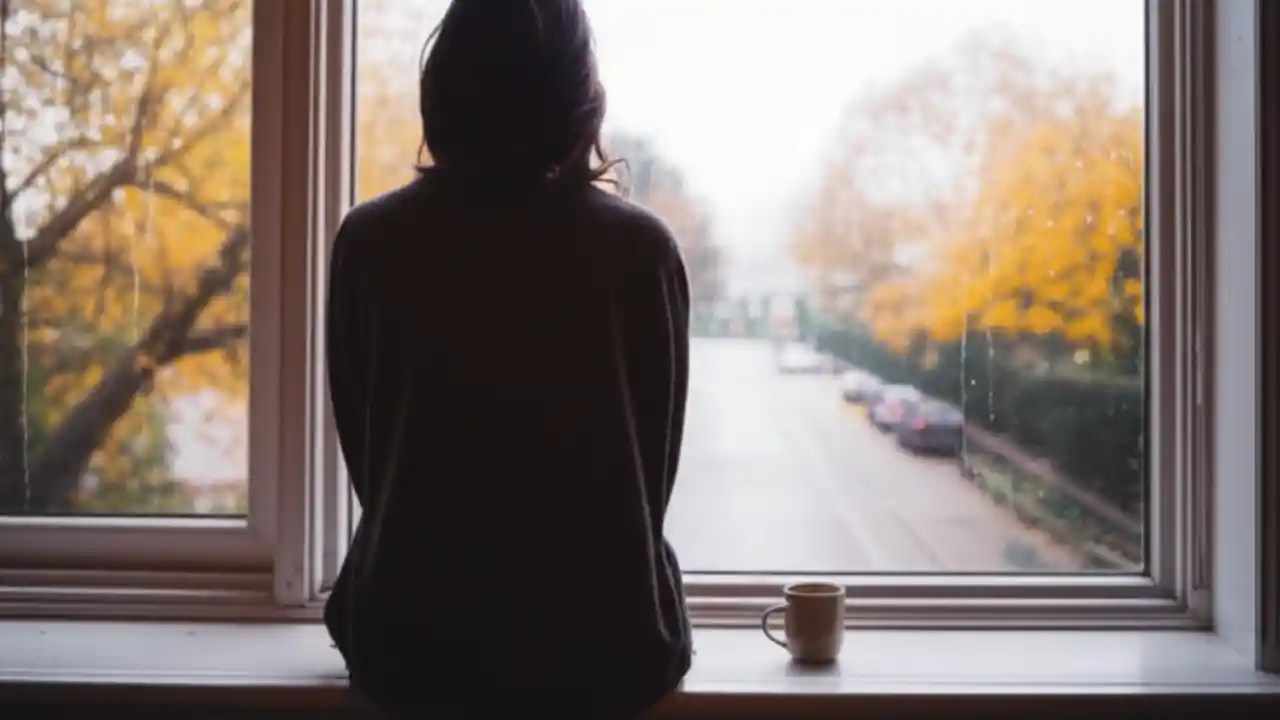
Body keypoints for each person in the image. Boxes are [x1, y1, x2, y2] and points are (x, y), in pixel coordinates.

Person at [323, 1, 693, 717]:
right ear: (580, 93)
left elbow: (371, 458)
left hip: (409, 647)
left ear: (443, 86)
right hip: (609, 652)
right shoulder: (640, 253)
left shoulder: (371, 243)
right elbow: (651, 476)